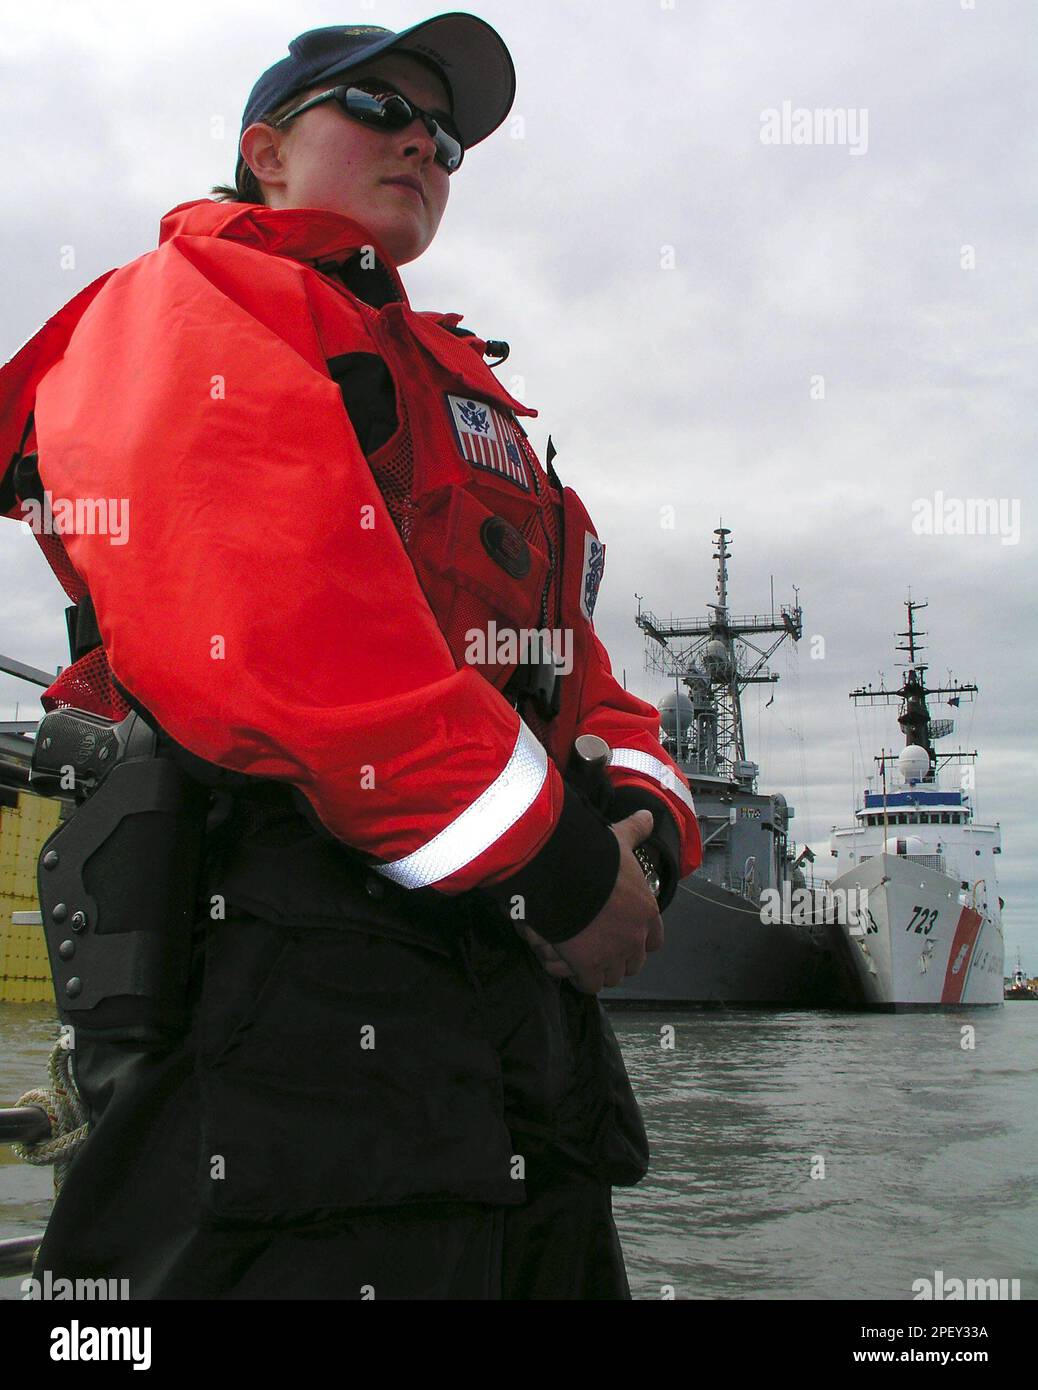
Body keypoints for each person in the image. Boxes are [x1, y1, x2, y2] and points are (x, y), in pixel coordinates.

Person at [1, 14, 702, 1298]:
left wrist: (641, 822)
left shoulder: (468, 402)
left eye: (445, 139)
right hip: (286, 986)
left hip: (512, 1021)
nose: (423, 148)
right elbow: (275, 633)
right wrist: (560, 871)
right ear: (265, 151)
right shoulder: (186, 308)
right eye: (379, 110)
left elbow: (579, 669)